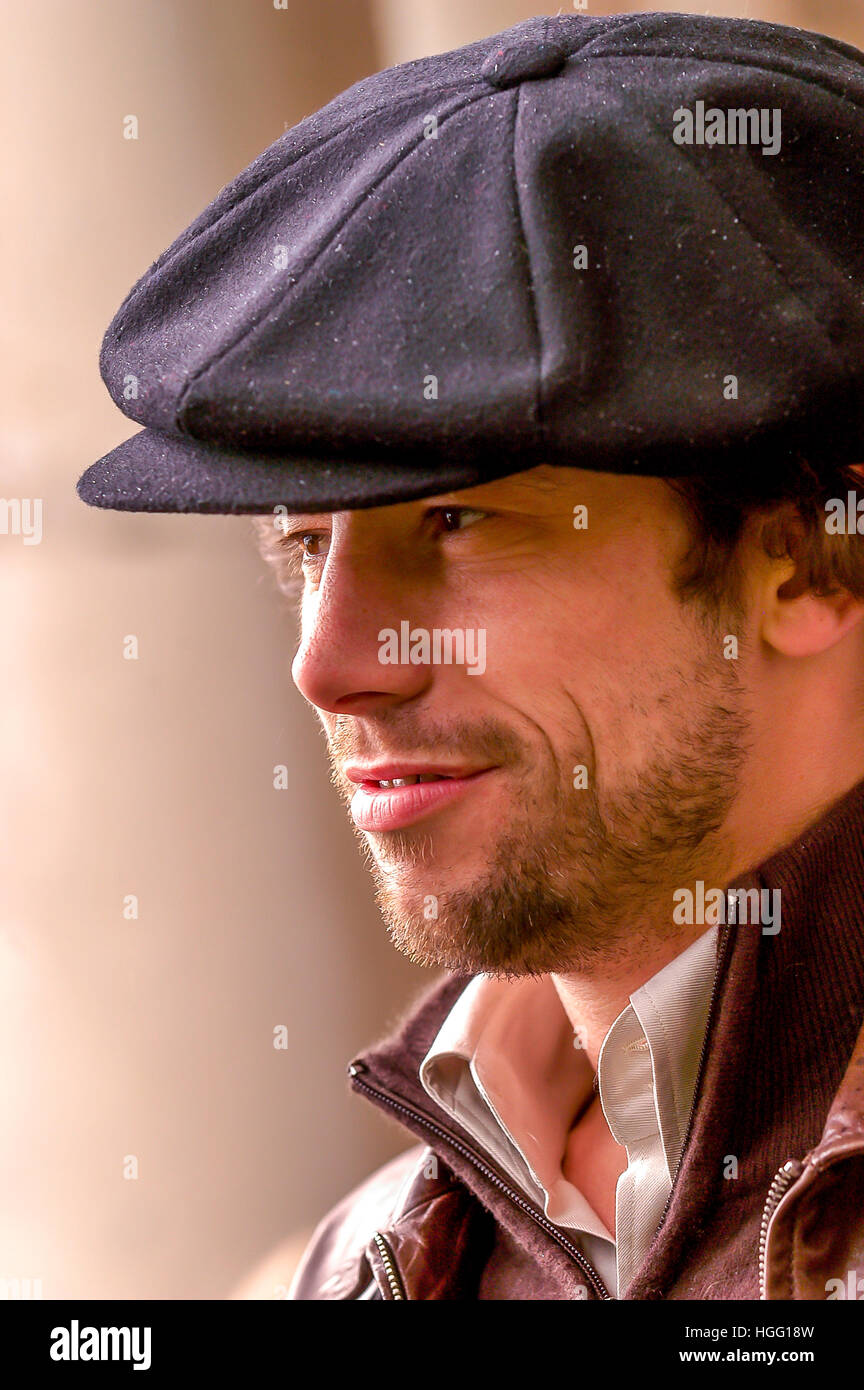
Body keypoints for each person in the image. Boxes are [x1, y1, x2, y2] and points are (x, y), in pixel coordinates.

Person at [78, 12, 864, 1300]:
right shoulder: (363, 1263)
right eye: (306, 548)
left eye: (457, 521)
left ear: (808, 558)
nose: (328, 667)